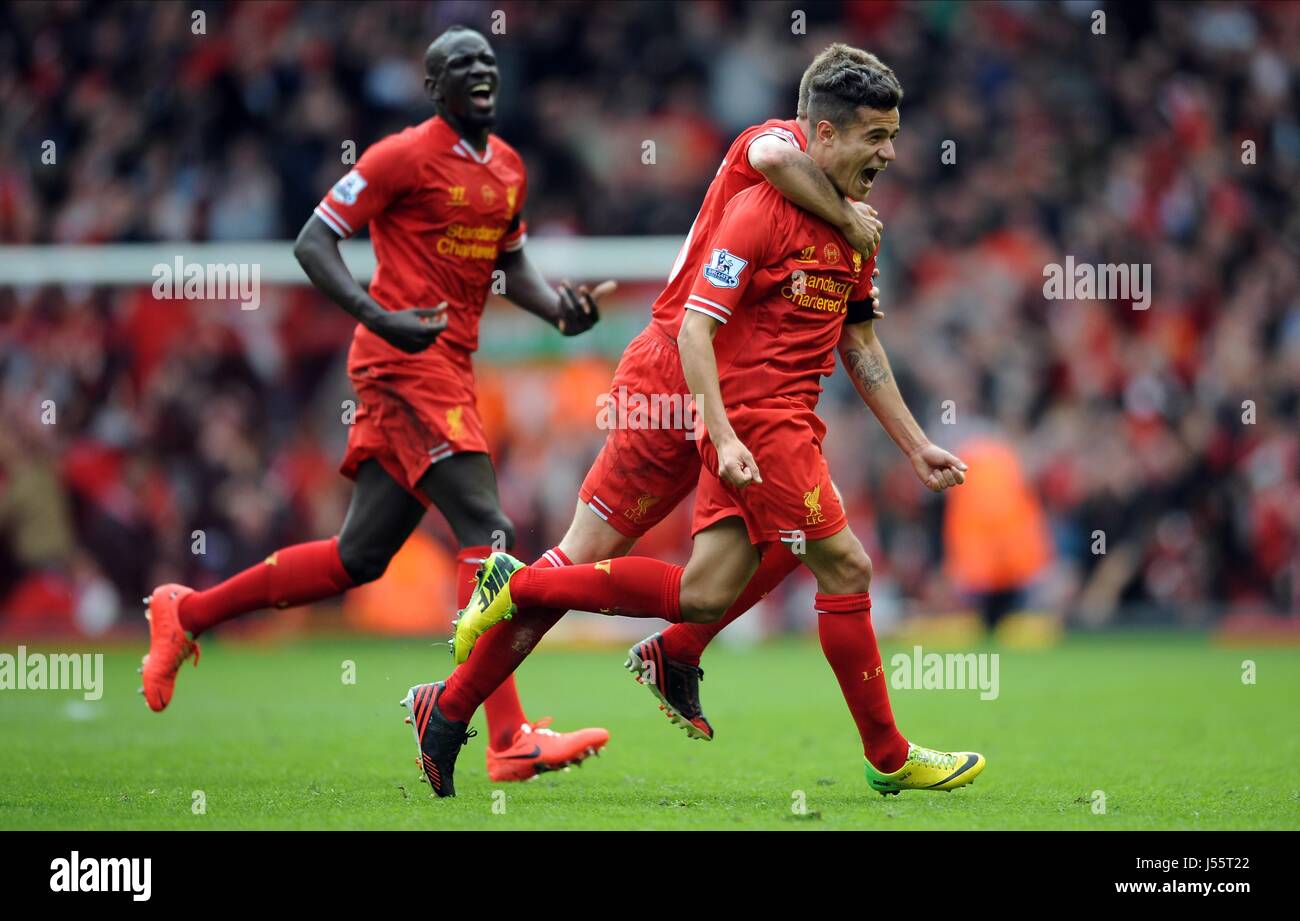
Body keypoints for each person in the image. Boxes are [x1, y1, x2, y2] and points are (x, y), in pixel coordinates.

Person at [408, 59, 985, 798]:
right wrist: (844, 221)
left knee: (750, 557)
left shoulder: (854, 223)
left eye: (895, 137)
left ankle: (471, 692)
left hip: (737, 393)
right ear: (824, 129)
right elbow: (776, 161)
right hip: (678, 378)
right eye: (876, 136)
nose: (891, 155)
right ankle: (571, 634)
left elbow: (859, 339)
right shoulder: (770, 164)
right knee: (733, 559)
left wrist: (914, 442)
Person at [139, 26, 614, 783]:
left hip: (449, 365)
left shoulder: (510, 168)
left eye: (487, 61)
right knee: (489, 530)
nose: (480, 72)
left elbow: (511, 266)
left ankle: (185, 611)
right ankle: (503, 732)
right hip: (402, 361)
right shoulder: (400, 156)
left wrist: (561, 311)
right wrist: (376, 311)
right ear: (433, 88)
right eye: (461, 66)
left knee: (356, 557)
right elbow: (313, 242)